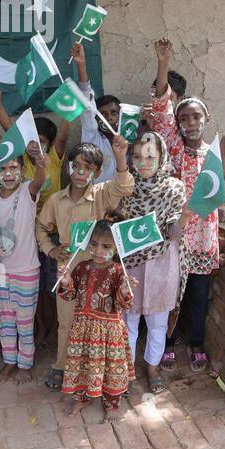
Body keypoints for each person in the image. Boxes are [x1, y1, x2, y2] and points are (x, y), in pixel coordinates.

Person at [149, 38, 225, 374]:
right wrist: (163, 63)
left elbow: (220, 188)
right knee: (170, 294)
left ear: (206, 118)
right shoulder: (170, 146)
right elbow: (160, 108)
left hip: (202, 238)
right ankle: (168, 343)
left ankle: (196, 343)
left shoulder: (212, 153)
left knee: (198, 296)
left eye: (195, 116)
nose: (189, 121)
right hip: (173, 235)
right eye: (183, 116)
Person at [35, 135, 133, 391]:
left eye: (88, 168)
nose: (80, 172)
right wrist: (51, 249)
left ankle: (99, 372)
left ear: (97, 172)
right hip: (68, 270)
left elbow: (124, 187)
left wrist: (121, 158)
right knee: (67, 320)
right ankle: (62, 367)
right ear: (68, 167)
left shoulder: (102, 194)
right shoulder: (56, 200)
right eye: (76, 165)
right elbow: (41, 227)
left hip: (99, 269)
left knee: (99, 320)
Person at [118, 132, 185, 394]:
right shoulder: (125, 187)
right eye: (136, 157)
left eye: (150, 157)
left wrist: (176, 226)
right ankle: (126, 368)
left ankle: (152, 367)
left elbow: (176, 222)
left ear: (162, 158)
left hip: (161, 261)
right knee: (128, 319)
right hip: (130, 262)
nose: (143, 163)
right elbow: (116, 216)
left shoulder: (174, 188)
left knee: (158, 321)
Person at [58, 220, 135, 420]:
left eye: (106, 246)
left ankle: (112, 404)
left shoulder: (118, 271)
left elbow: (122, 306)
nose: (98, 251)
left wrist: (125, 291)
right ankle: (81, 398)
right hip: (82, 330)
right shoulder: (82, 267)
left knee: (110, 367)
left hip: (108, 333)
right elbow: (69, 295)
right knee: (82, 364)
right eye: (93, 244)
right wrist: (66, 282)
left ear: (116, 247)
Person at [0, 147, 47, 384]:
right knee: (5, 320)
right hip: (0, 270)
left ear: (22, 170)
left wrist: (41, 164)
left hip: (27, 270)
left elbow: (40, 180)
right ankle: (10, 362)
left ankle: (25, 364)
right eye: (3, 169)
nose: (8, 173)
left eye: (13, 167)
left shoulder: (27, 191)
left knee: (24, 321)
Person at [70, 41, 122, 182]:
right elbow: (87, 107)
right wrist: (81, 64)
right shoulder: (92, 137)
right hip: (97, 199)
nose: (109, 118)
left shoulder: (128, 137)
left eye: (114, 113)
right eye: (103, 115)